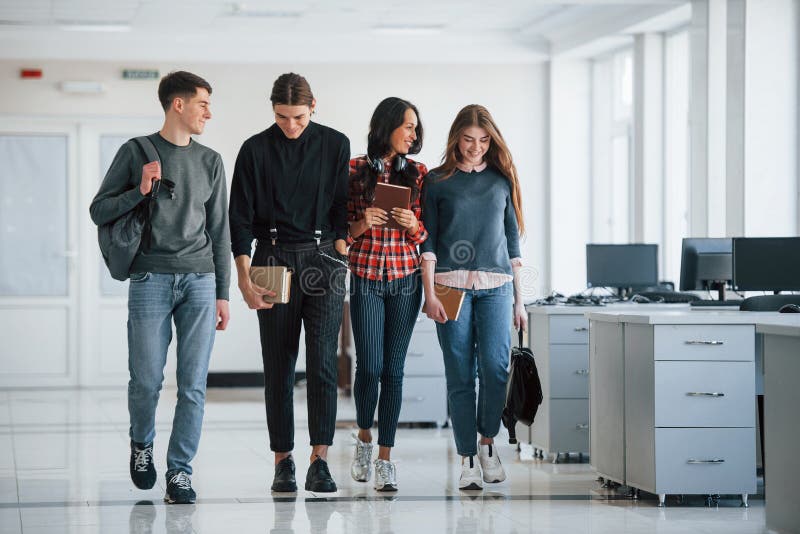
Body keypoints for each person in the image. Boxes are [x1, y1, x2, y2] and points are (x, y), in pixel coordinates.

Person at [89, 71, 231, 504]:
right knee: (147, 380)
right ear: (179, 105)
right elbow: (99, 210)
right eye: (203, 103)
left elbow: (220, 229)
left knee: (193, 385)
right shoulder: (136, 152)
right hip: (150, 277)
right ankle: (142, 443)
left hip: (201, 280)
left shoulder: (211, 161)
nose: (209, 111)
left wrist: (223, 292)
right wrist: (140, 189)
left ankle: (181, 472)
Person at [228, 73, 350, 493]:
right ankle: (283, 461)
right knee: (278, 366)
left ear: (313, 106)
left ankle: (320, 459)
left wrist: (341, 249)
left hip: (324, 260)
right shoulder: (254, 149)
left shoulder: (335, 144)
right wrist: (244, 278)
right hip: (272, 257)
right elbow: (239, 219)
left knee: (321, 364)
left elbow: (339, 206)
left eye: (298, 116)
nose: (291, 125)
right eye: (282, 117)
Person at [420, 104, 527, 491]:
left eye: (483, 140)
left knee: (497, 369)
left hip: (497, 285)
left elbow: (513, 245)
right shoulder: (436, 182)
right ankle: (466, 457)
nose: (476, 147)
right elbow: (428, 241)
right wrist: (429, 293)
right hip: (448, 287)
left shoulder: (501, 182)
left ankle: (487, 444)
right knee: (460, 373)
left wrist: (520, 301)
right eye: (468, 140)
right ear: (455, 139)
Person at [346, 97, 428, 491]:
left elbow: (428, 235)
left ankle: (385, 459)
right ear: (387, 126)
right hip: (365, 277)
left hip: (405, 279)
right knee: (370, 366)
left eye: (415, 127)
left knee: (394, 372)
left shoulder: (418, 173)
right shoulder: (354, 169)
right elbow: (339, 231)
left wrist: (413, 225)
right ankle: (363, 437)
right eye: (407, 126)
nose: (413, 134)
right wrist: (362, 222)